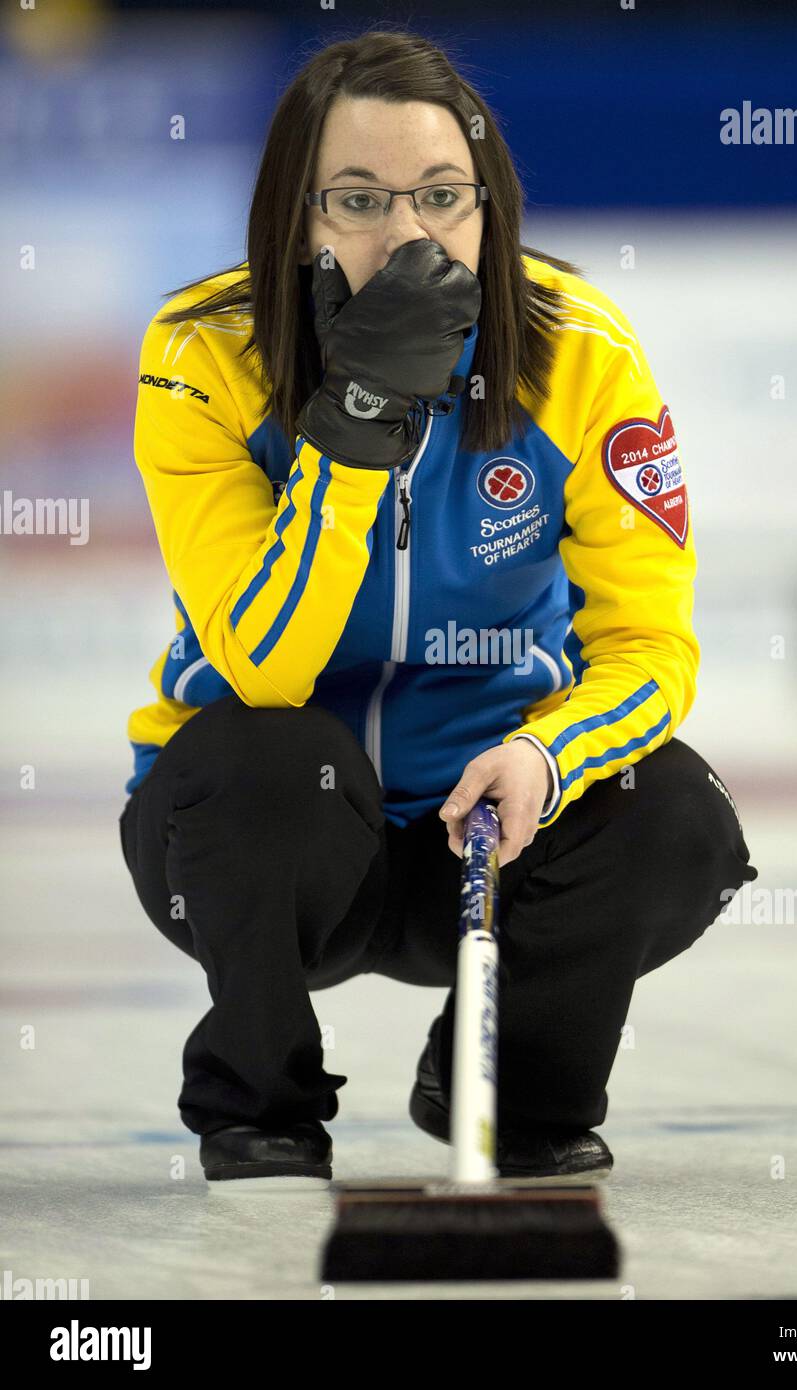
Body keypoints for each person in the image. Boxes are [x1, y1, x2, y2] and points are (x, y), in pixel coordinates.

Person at [118, 28, 758, 1189]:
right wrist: (356, 426)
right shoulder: (202, 352)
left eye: (440, 196)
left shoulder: (578, 352)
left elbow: (649, 647)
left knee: (674, 814)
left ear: (488, 208)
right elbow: (261, 665)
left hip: (488, 833)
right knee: (264, 757)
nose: (407, 233)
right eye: (357, 199)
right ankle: (259, 1102)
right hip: (272, 847)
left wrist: (545, 752)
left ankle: (504, 1086)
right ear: (295, 217)